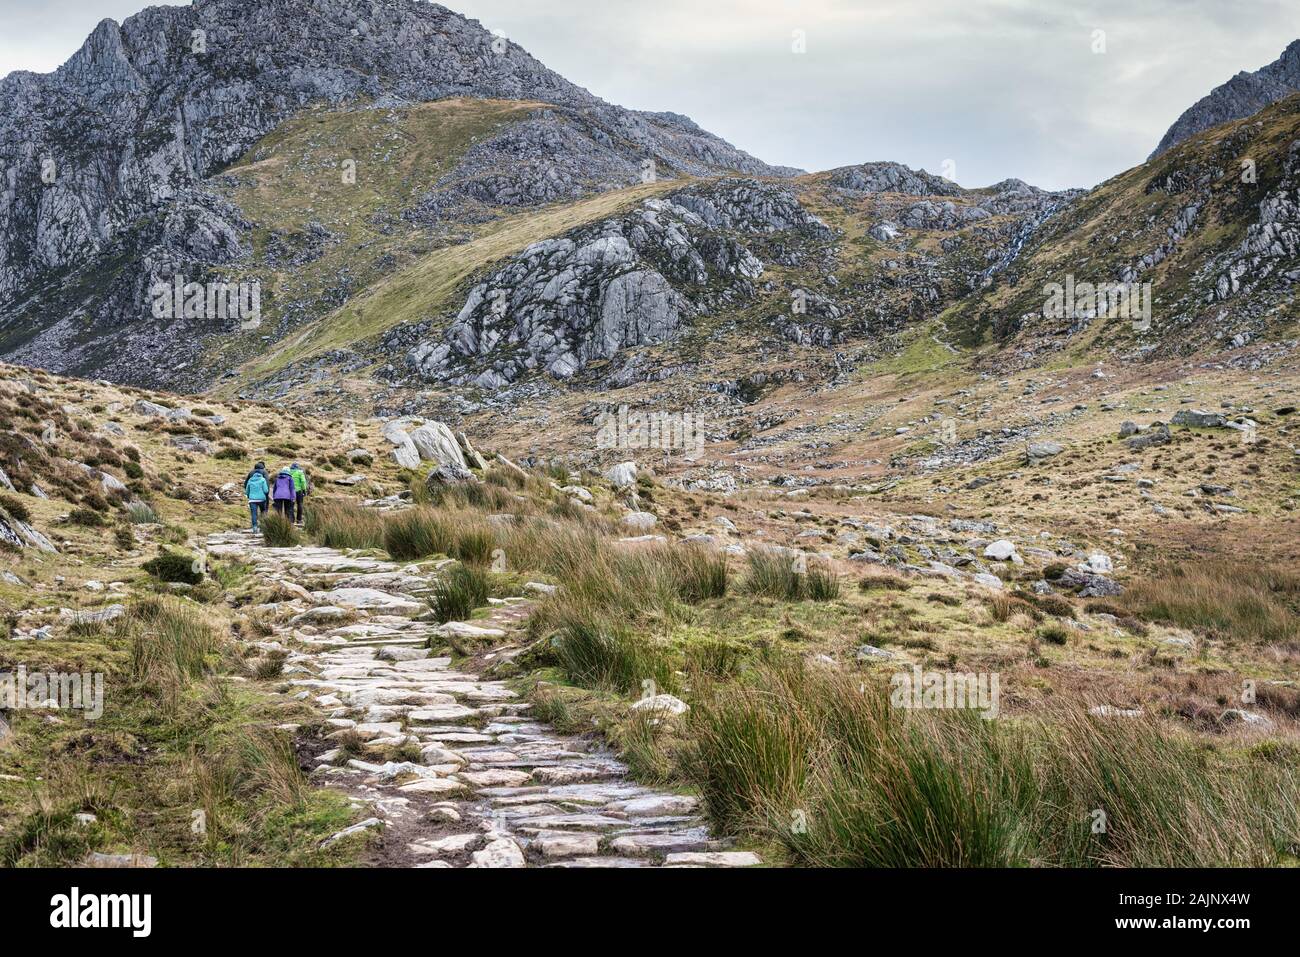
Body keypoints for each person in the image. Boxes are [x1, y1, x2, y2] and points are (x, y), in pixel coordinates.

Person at [244, 462, 270, 531]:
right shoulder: (264, 474)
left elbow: (246, 485)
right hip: (262, 498)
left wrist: (249, 495)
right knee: (263, 511)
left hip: (252, 499)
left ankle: (255, 527)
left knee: (254, 513)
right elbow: (266, 487)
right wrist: (266, 494)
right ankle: (263, 526)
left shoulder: (251, 474)